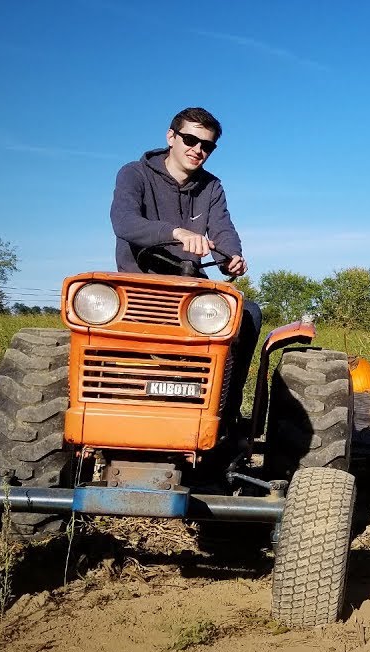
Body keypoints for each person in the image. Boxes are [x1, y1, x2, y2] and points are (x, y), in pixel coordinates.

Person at [110, 107, 262, 425]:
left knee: (247, 314)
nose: (198, 150)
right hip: (141, 286)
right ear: (171, 136)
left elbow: (223, 231)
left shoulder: (211, 187)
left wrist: (231, 257)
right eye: (190, 140)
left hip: (191, 290)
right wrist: (175, 233)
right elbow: (124, 222)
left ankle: (224, 417)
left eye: (207, 145)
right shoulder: (134, 174)